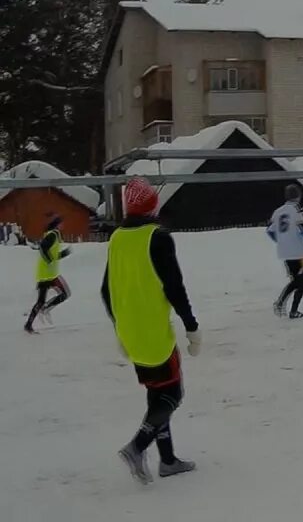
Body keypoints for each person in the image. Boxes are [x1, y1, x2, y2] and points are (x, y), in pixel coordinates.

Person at [102, 177, 201, 484]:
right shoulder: (158, 237)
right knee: (173, 393)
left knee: (156, 395)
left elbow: (106, 289)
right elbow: (174, 287)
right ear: (151, 205)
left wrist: (119, 327)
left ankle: (168, 460)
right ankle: (137, 447)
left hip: (131, 332)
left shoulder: (117, 237)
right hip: (155, 332)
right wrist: (191, 327)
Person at [267, 184, 303, 318]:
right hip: (298, 252)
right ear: (298, 196)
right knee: (300, 282)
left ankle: (283, 304)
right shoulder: (297, 210)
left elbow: (270, 231)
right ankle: (290, 309)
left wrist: (281, 241)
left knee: (295, 280)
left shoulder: (278, 211)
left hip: (284, 252)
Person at [24, 216, 72, 333]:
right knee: (65, 293)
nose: (63, 226)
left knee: (47, 299)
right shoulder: (53, 235)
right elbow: (43, 248)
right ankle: (42, 311)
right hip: (47, 274)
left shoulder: (53, 235)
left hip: (49, 274)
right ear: (57, 225)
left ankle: (29, 323)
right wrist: (50, 260)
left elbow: (52, 254)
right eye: (62, 224)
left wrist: (63, 254)